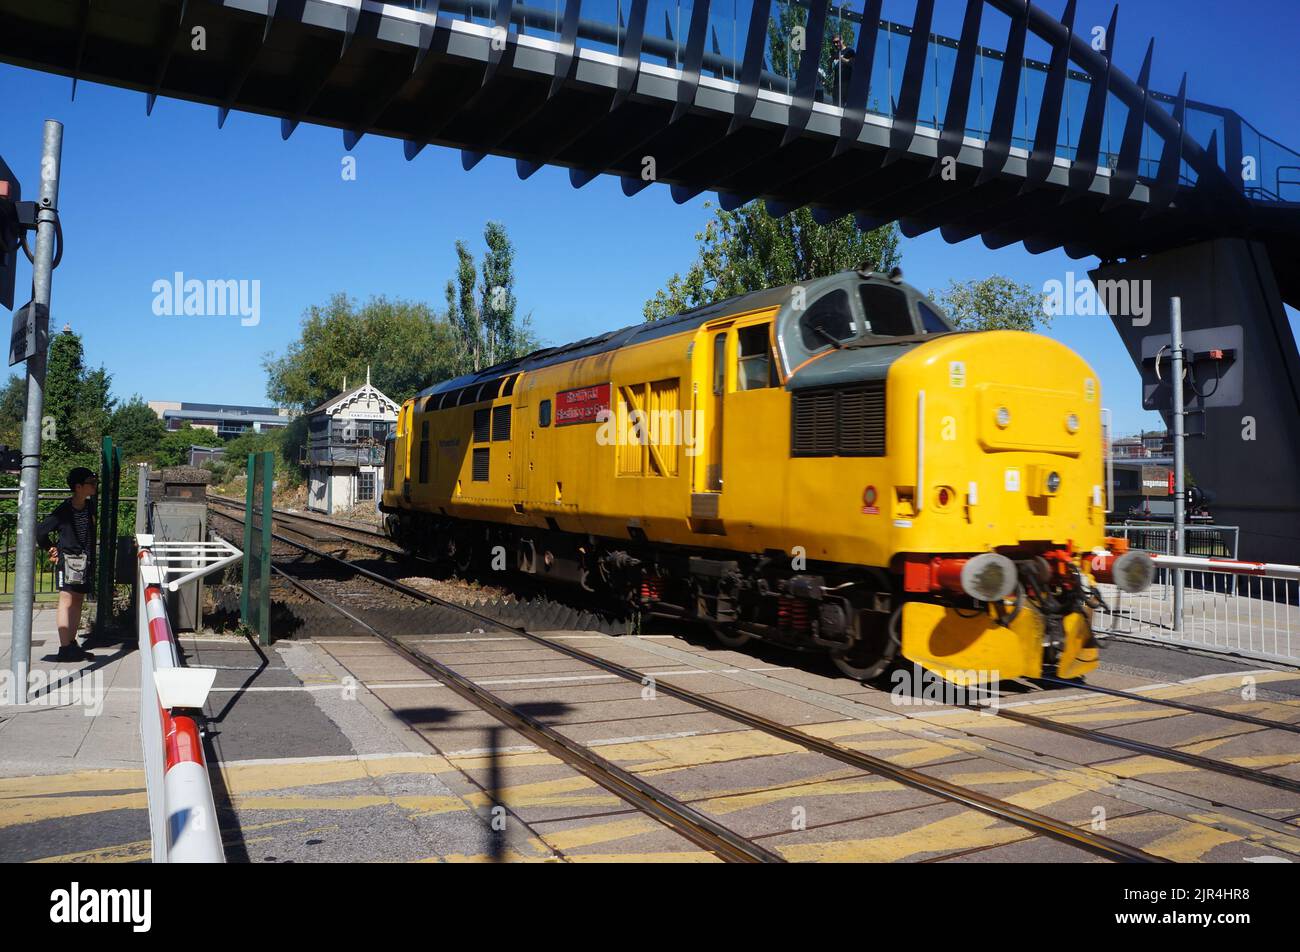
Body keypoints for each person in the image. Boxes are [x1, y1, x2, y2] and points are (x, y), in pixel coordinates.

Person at [36, 467, 98, 662]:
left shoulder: (90, 506)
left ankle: (71, 643)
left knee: (77, 600)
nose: (94, 486)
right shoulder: (63, 510)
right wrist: (50, 548)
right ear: (78, 487)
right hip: (68, 561)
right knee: (66, 599)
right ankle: (65, 648)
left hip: (84, 561)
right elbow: (40, 531)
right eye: (91, 483)